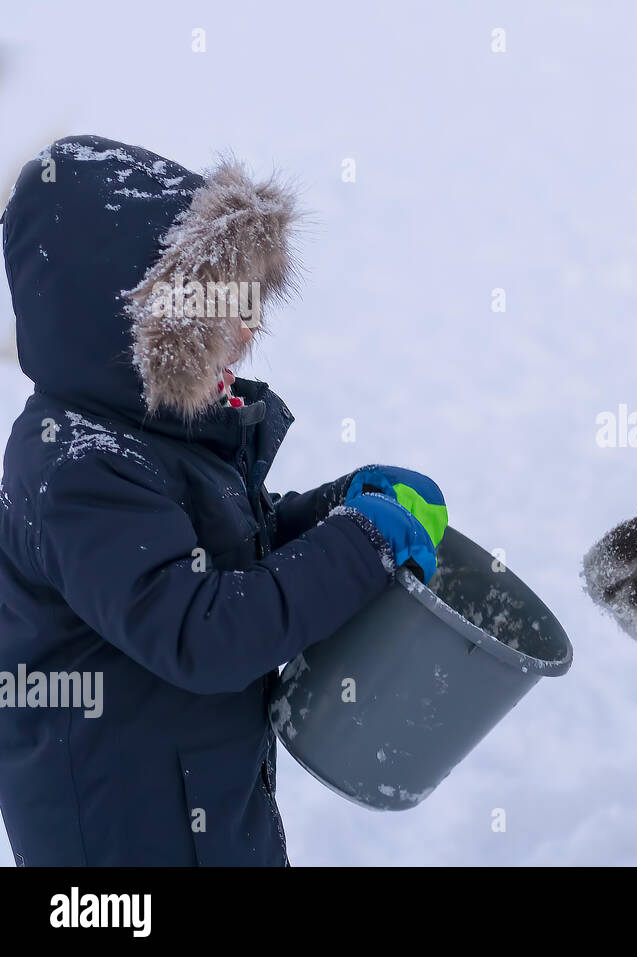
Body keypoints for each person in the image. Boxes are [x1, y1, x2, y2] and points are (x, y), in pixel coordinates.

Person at [0, 134, 446, 865]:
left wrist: (338, 508)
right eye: (217, 315)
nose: (247, 334)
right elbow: (202, 633)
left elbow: (226, 557)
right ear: (129, 326)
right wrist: (360, 543)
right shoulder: (77, 467)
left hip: (203, 806)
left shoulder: (153, 430)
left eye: (250, 307)